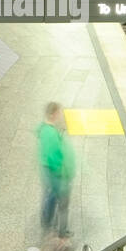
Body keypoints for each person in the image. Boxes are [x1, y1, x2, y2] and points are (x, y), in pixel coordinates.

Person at [37, 103, 74, 240]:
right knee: (63, 204)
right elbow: (55, 158)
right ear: (52, 115)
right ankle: (61, 233)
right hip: (57, 175)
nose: (61, 116)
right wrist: (66, 173)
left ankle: (46, 222)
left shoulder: (46, 130)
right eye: (59, 113)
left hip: (49, 174)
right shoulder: (50, 134)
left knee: (49, 197)